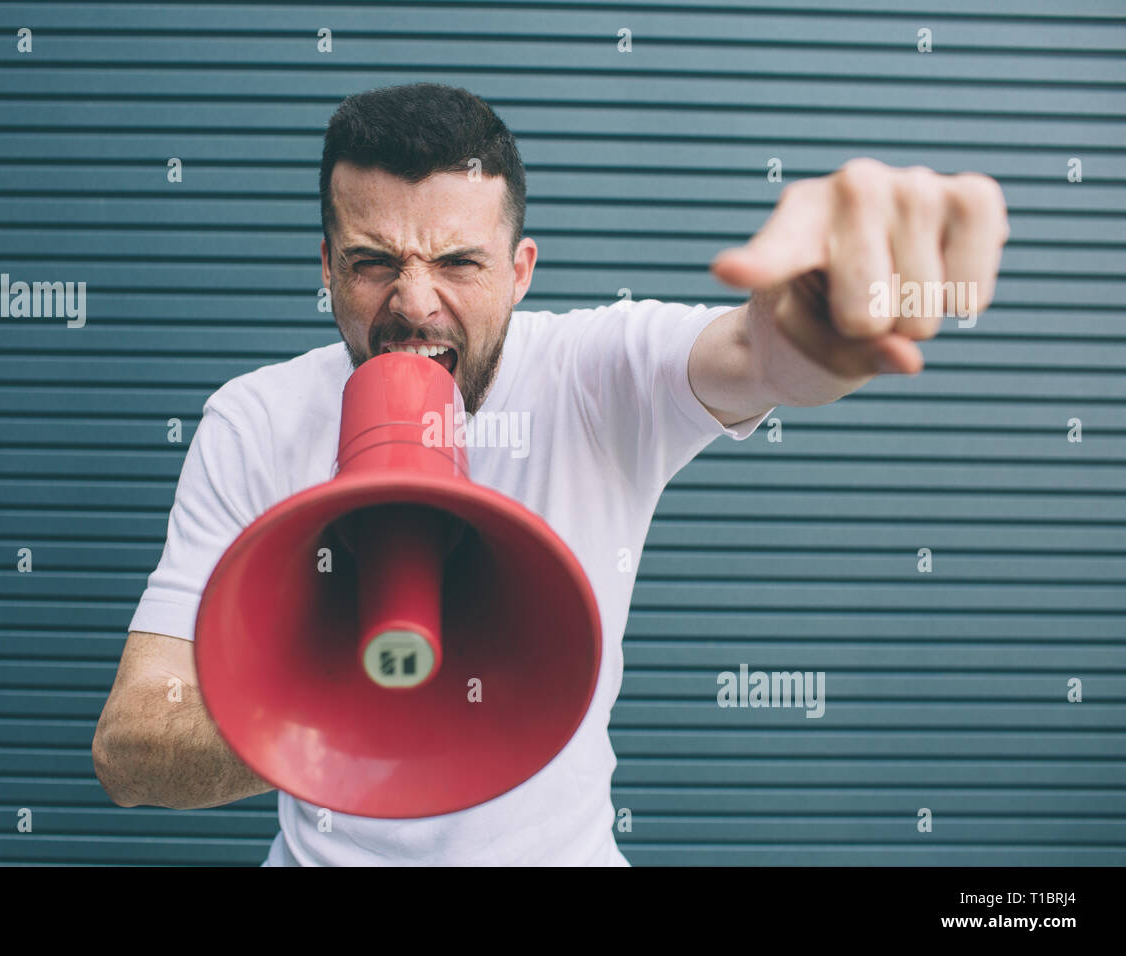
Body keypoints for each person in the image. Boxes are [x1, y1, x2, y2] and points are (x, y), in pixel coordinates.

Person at [92, 82, 1008, 865]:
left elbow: (763, 354)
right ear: (328, 268)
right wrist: (365, 695)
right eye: (374, 264)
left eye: (459, 262)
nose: (415, 305)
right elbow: (133, 748)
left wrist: (821, 324)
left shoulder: (596, 371)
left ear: (521, 270)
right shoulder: (255, 419)